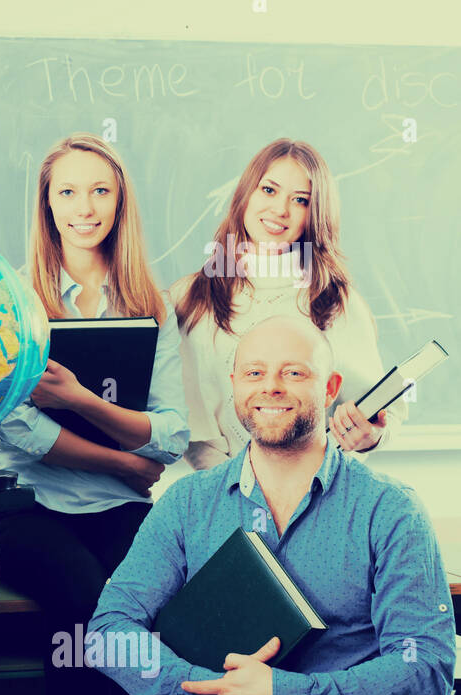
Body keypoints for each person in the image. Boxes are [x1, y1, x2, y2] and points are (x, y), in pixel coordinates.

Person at [88, 315, 454, 695]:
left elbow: (426, 667)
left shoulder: (391, 510)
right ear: (234, 386)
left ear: (330, 388)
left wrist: (287, 693)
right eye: (254, 372)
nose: (271, 386)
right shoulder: (186, 503)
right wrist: (212, 690)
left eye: (294, 372)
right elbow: (110, 632)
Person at [0, 134, 189, 695]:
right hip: (25, 502)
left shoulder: (151, 303)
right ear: (47, 205)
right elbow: (19, 429)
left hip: (117, 504)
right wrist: (124, 460)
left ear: (120, 202)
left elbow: (172, 433)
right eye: (68, 192)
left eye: (101, 191)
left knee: (151, 602)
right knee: (81, 598)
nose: (85, 208)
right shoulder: (15, 301)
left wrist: (79, 399)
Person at [171, 138, 405, 470]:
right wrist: (232, 491)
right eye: (269, 190)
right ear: (245, 195)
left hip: (316, 494)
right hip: (220, 494)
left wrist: (371, 435)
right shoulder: (189, 297)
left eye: (300, 200)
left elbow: (384, 412)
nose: (280, 209)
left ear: (314, 214)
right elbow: (191, 425)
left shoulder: (334, 298)